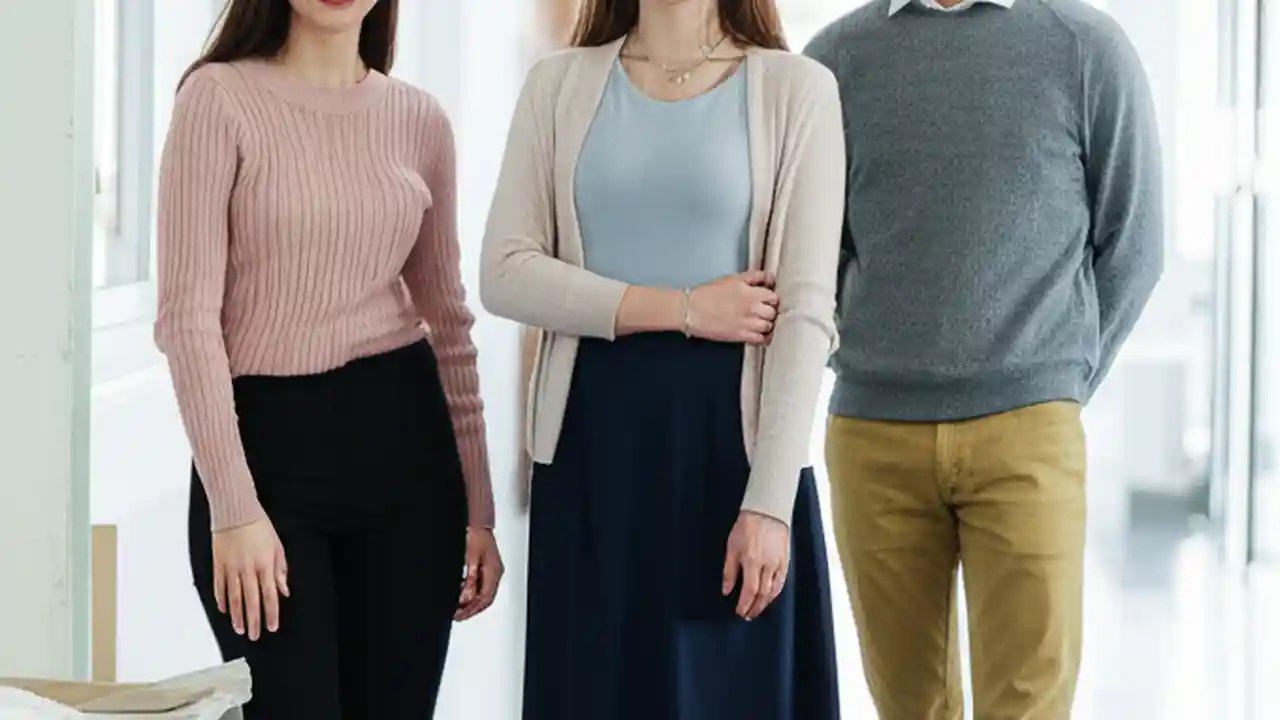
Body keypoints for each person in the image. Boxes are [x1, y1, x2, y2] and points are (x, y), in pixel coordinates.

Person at [482, 1, 845, 718]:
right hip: (590, 454)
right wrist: (682, 308)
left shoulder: (796, 87)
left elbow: (806, 315)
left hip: (732, 456)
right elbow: (505, 271)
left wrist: (770, 505)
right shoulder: (556, 86)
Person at [805, 0, 1163, 718]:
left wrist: (1058, 382)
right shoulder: (833, 61)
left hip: (1029, 430)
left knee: (1028, 705)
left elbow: (1135, 242)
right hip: (875, 436)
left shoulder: (1087, 48)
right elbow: (811, 249)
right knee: (909, 707)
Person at [154, 0, 503, 716]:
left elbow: (448, 320)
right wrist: (234, 508)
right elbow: (188, 321)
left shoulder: (420, 120)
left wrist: (481, 510)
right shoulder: (218, 99)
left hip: (407, 452)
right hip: (267, 461)